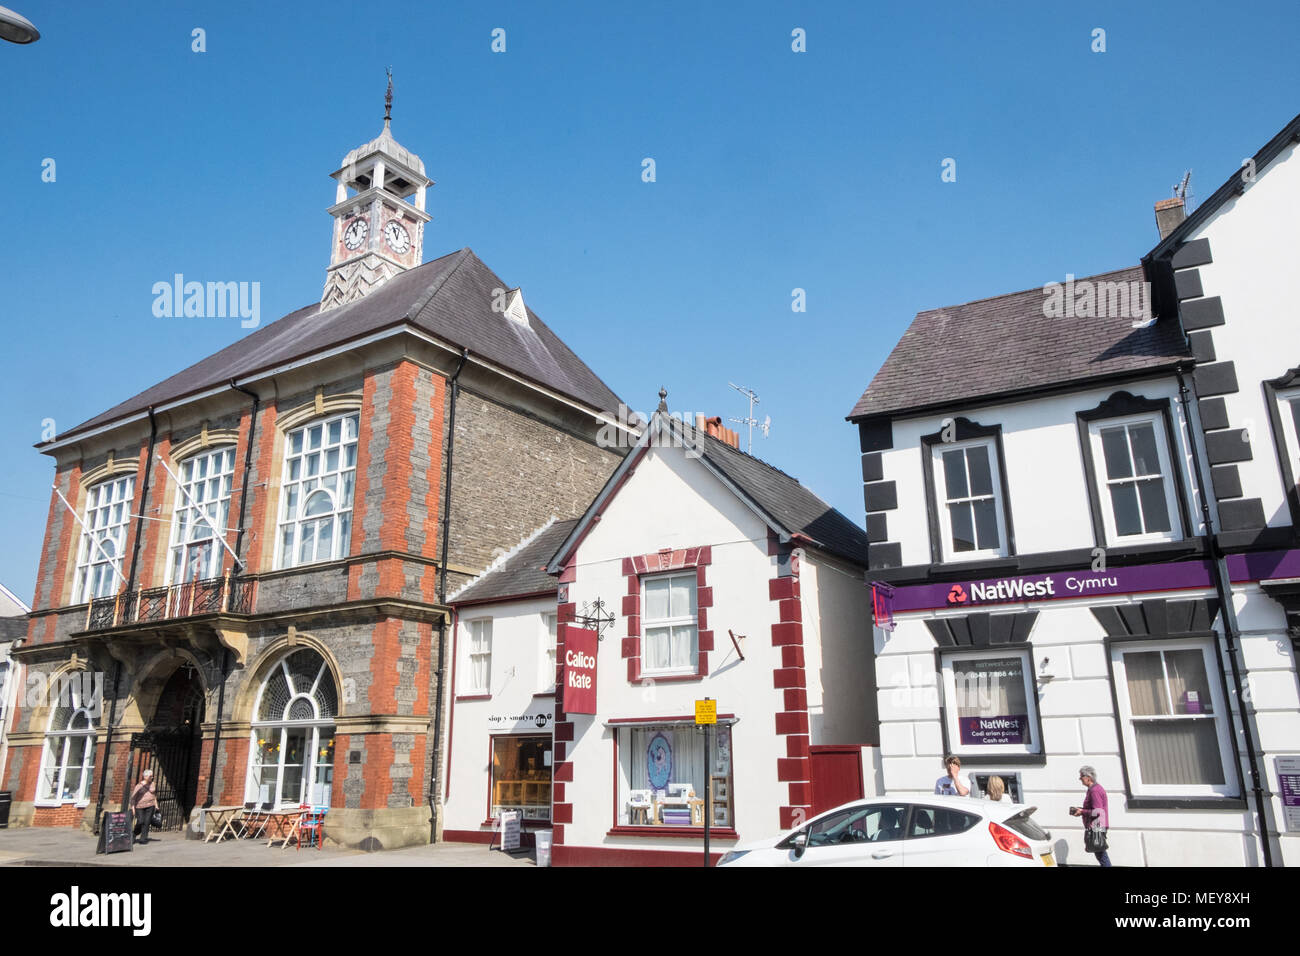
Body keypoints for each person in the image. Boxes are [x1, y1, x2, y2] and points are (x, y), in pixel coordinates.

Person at [1069, 765, 1110, 867]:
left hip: (1097, 827)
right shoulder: (1094, 789)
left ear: (1088, 777)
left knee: (1101, 855)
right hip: (1098, 826)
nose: (1080, 779)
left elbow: (1098, 811)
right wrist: (1081, 810)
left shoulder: (1094, 790)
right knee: (1100, 854)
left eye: (1081, 776)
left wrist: (1082, 812)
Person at [130, 769, 158, 845]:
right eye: (150, 776)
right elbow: (133, 798)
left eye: (152, 776)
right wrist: (133, 808)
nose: (152, 778)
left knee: (147, 822)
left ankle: (143, 838)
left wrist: (156, 805)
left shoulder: (152, 784)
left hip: (150, 806)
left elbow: (154, 795)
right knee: (141, 821)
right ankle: (134, 834)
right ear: (145, 776)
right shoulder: (138, 786)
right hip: (140, 806)